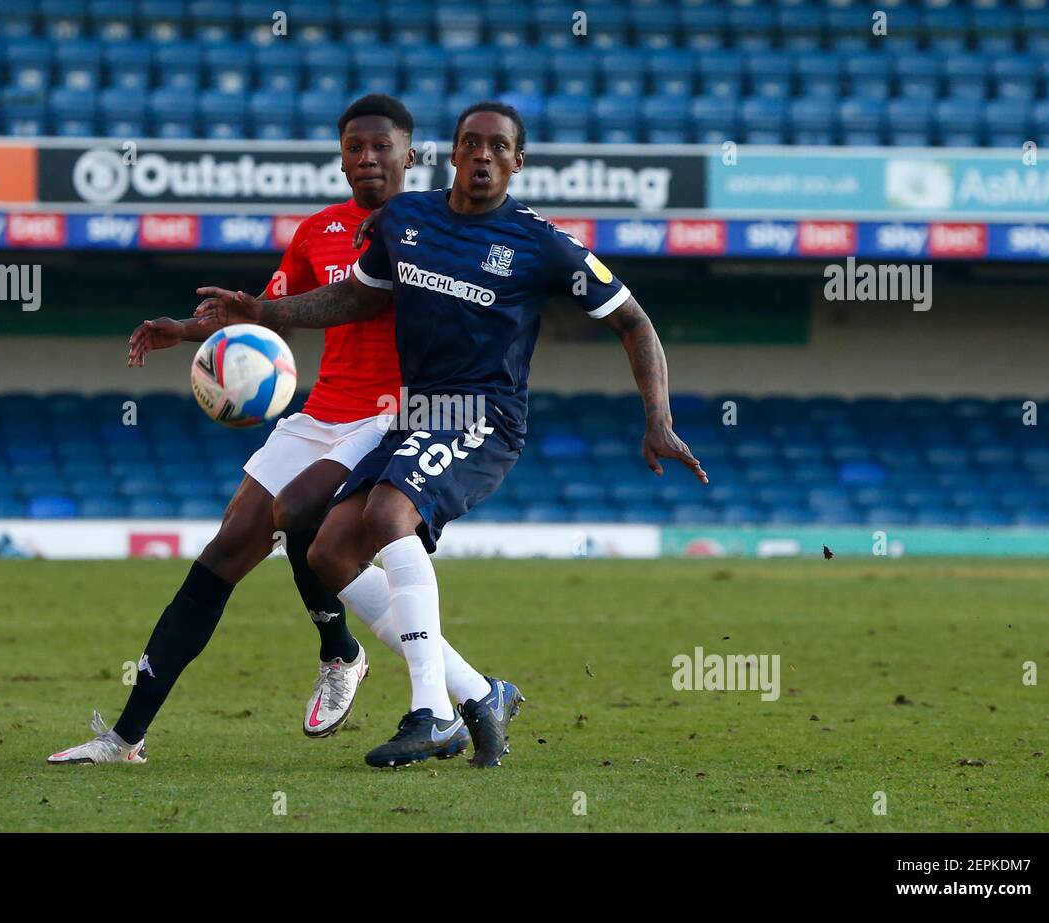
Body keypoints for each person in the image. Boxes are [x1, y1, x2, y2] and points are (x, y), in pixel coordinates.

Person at [192, 101, 708, 769]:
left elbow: (633, 321)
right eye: (472, 143)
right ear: (453, 153)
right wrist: (263, 310)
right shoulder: (407, 221)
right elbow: (355, 297)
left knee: (386, 513)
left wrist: (658, 416)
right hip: (415, 414)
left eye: (498, 146)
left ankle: (431, 712)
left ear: (518, 162)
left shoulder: (542, 243)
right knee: (326, 552)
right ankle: (480, 693)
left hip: (484, 415)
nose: (484, 155)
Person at [49, 94, 433, 764]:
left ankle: (359, 658)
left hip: (389, 418)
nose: (367, 158)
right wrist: (191, 328)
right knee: (224, 552)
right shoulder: (317, 231)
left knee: (298, 516)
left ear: (410, 153)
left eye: (381, 145)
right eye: (354, 147)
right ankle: (124, 738)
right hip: (319, 412)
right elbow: (269, 312)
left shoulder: (434, 228)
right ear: (341, 159)